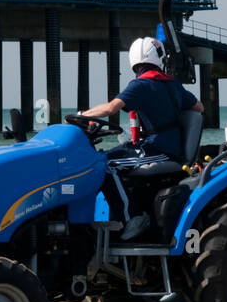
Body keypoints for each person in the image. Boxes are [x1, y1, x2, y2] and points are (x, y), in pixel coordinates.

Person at [81, 36, 203, 238]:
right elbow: (199, 108)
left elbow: (112, 107)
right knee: (102, 158)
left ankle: (133, 217)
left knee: (106, 165)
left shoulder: (141, 85)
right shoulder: (172, 84)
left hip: (163, 151)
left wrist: (81, 115)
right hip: (161, 147)